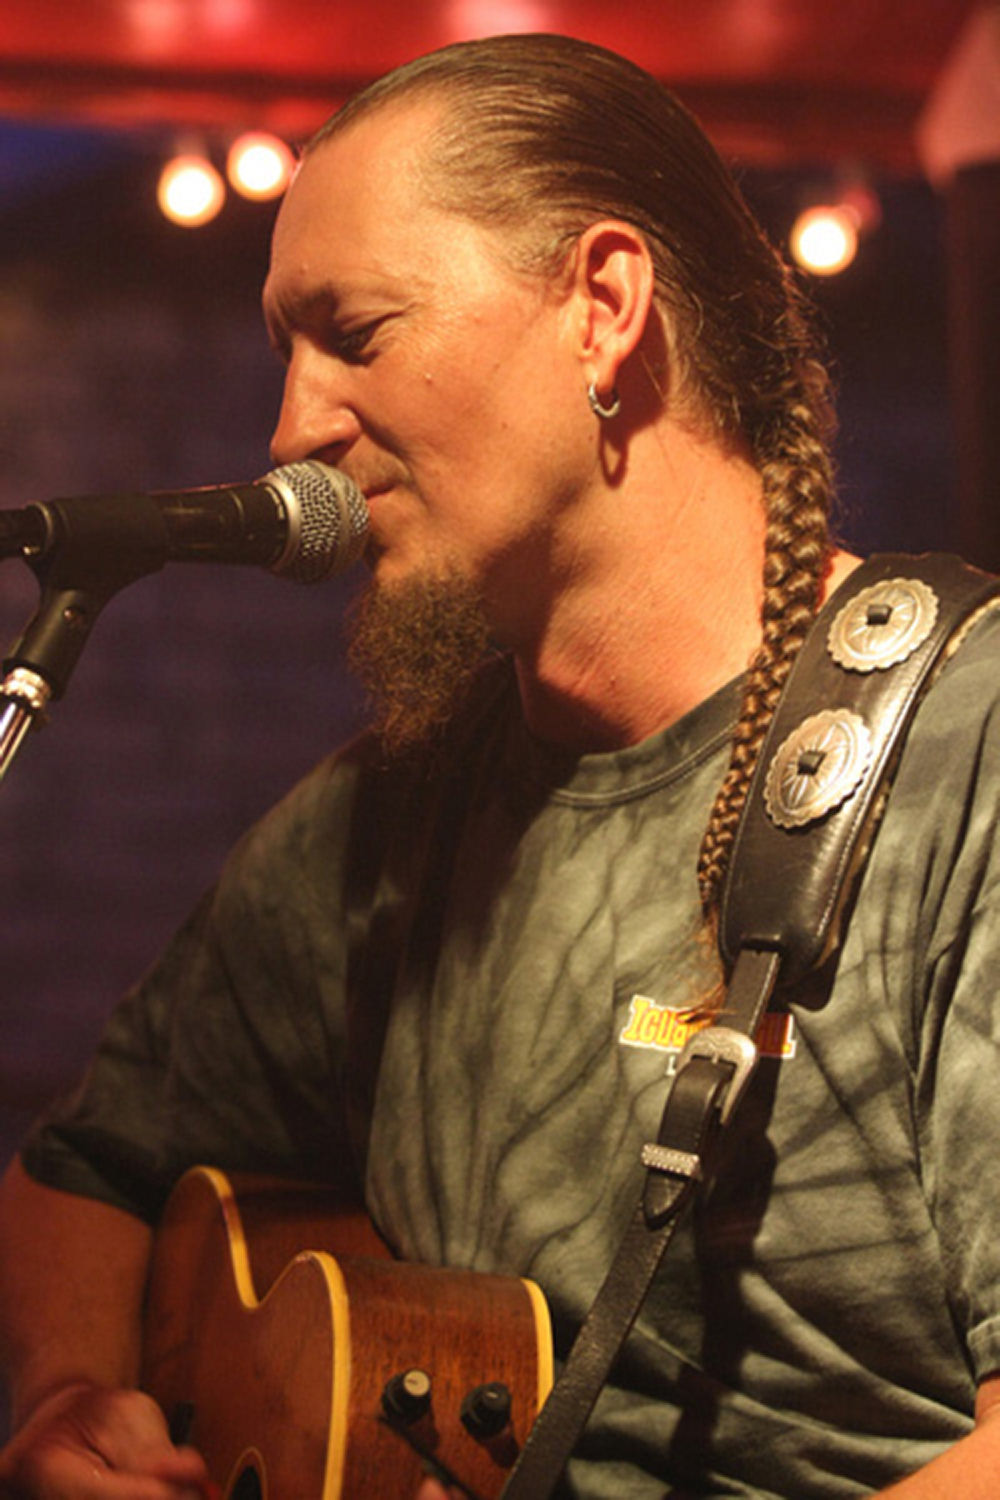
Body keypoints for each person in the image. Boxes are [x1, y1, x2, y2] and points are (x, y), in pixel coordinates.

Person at [1, 29, 1000, 1500]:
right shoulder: (380, 824)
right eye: (286, 348)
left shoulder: (966, 760)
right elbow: (86, 1169)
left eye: (355, 332)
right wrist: (74, 1399)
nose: (292, 429)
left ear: (602, 308)